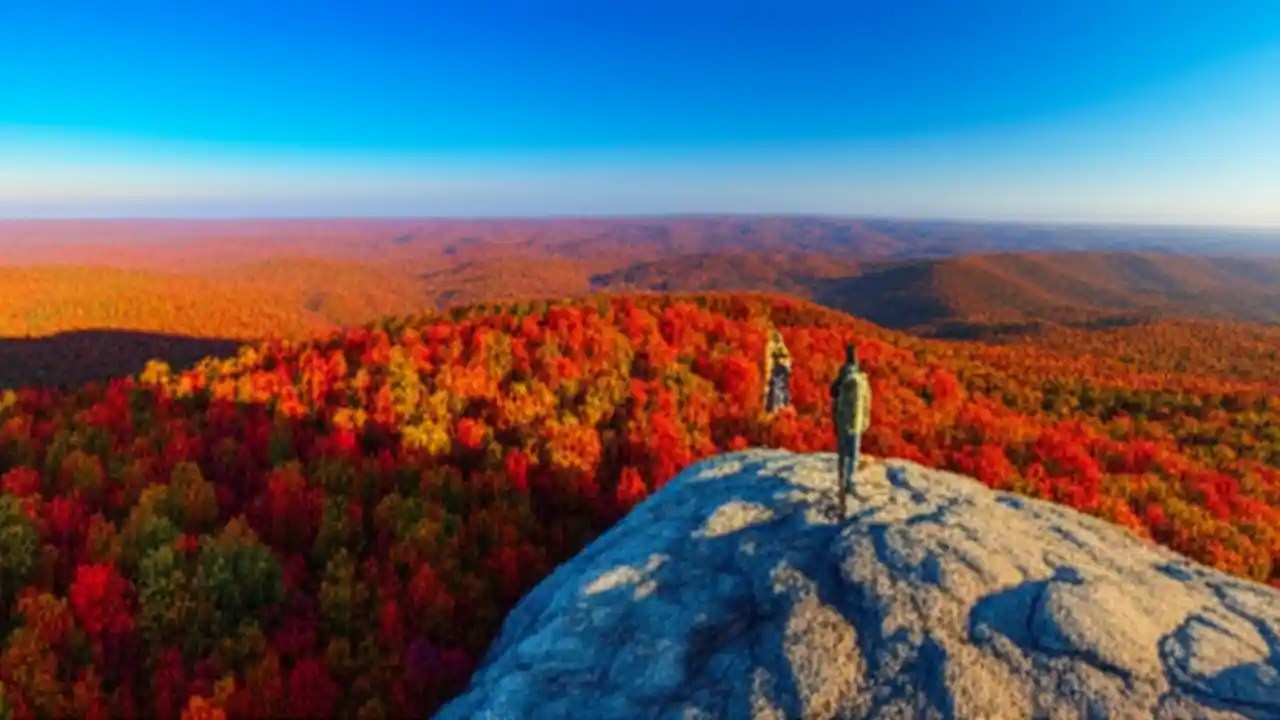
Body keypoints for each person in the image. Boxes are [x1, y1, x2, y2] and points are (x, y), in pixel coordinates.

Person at [830, 343, 871, 519]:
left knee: (847, 454)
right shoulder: (854, 379)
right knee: (850, 454)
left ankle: (846, 484)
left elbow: (866, 402)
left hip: (850, 421)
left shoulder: (856, 379)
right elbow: (833, 394)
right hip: (850, 422)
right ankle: (846, 485)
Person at [763, 329, 792, 413]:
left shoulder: (780, 347)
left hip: (779, 372)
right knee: (776, 390)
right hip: (777, 372)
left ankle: (780, 408)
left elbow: (785, 359)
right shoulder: (773, 346)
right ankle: (776, 409)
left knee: (779, 390)